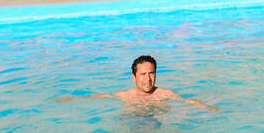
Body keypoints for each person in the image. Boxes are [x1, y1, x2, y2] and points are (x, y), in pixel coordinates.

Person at [57, 55, 218, 111]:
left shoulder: (165, 94)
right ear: (133, 77)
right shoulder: (125, 95)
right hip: (133, 124)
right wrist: (72, 99)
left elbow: (187, 101)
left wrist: (209, 107)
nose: (148, 79)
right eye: (142, 74)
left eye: (151, 73)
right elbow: (99, 96)